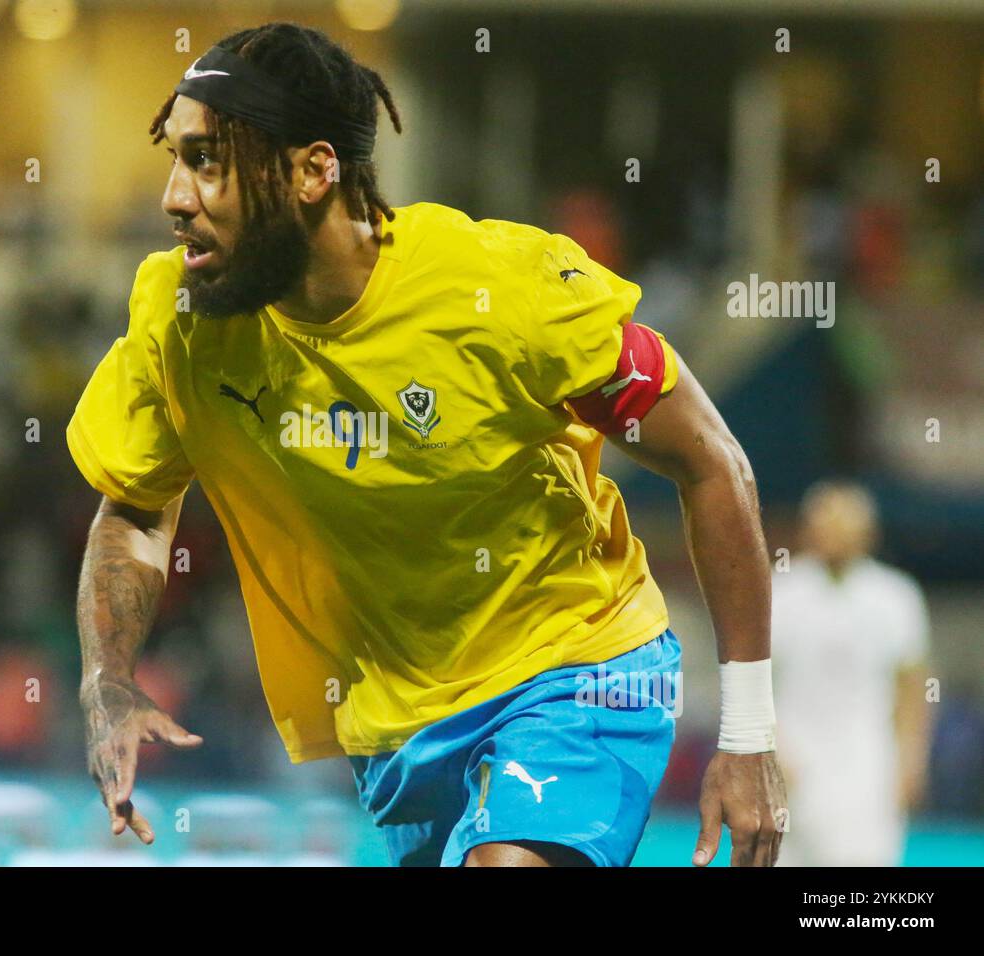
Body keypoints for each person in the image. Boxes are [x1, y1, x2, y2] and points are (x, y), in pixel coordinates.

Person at [67, 21, 785, 867]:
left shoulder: (503, 293)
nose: (175, 196)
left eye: (208, 160)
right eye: (176, 158)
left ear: (313, 170)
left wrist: (747, 732)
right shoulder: (180, 322)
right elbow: (137, 513)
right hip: (399, 724)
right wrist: (105, 678)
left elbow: (711, 460)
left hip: (579, 667)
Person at [773, 481, 932, 866]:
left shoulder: (896, 596)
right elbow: (754, 680)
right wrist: (769, 746)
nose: (835, 533)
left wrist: (912, 757)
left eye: (846, 524)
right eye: (826, 522)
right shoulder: (779, 592)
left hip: (869, 763)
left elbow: (912, 685)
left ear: (868, 533)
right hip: (793, 760)